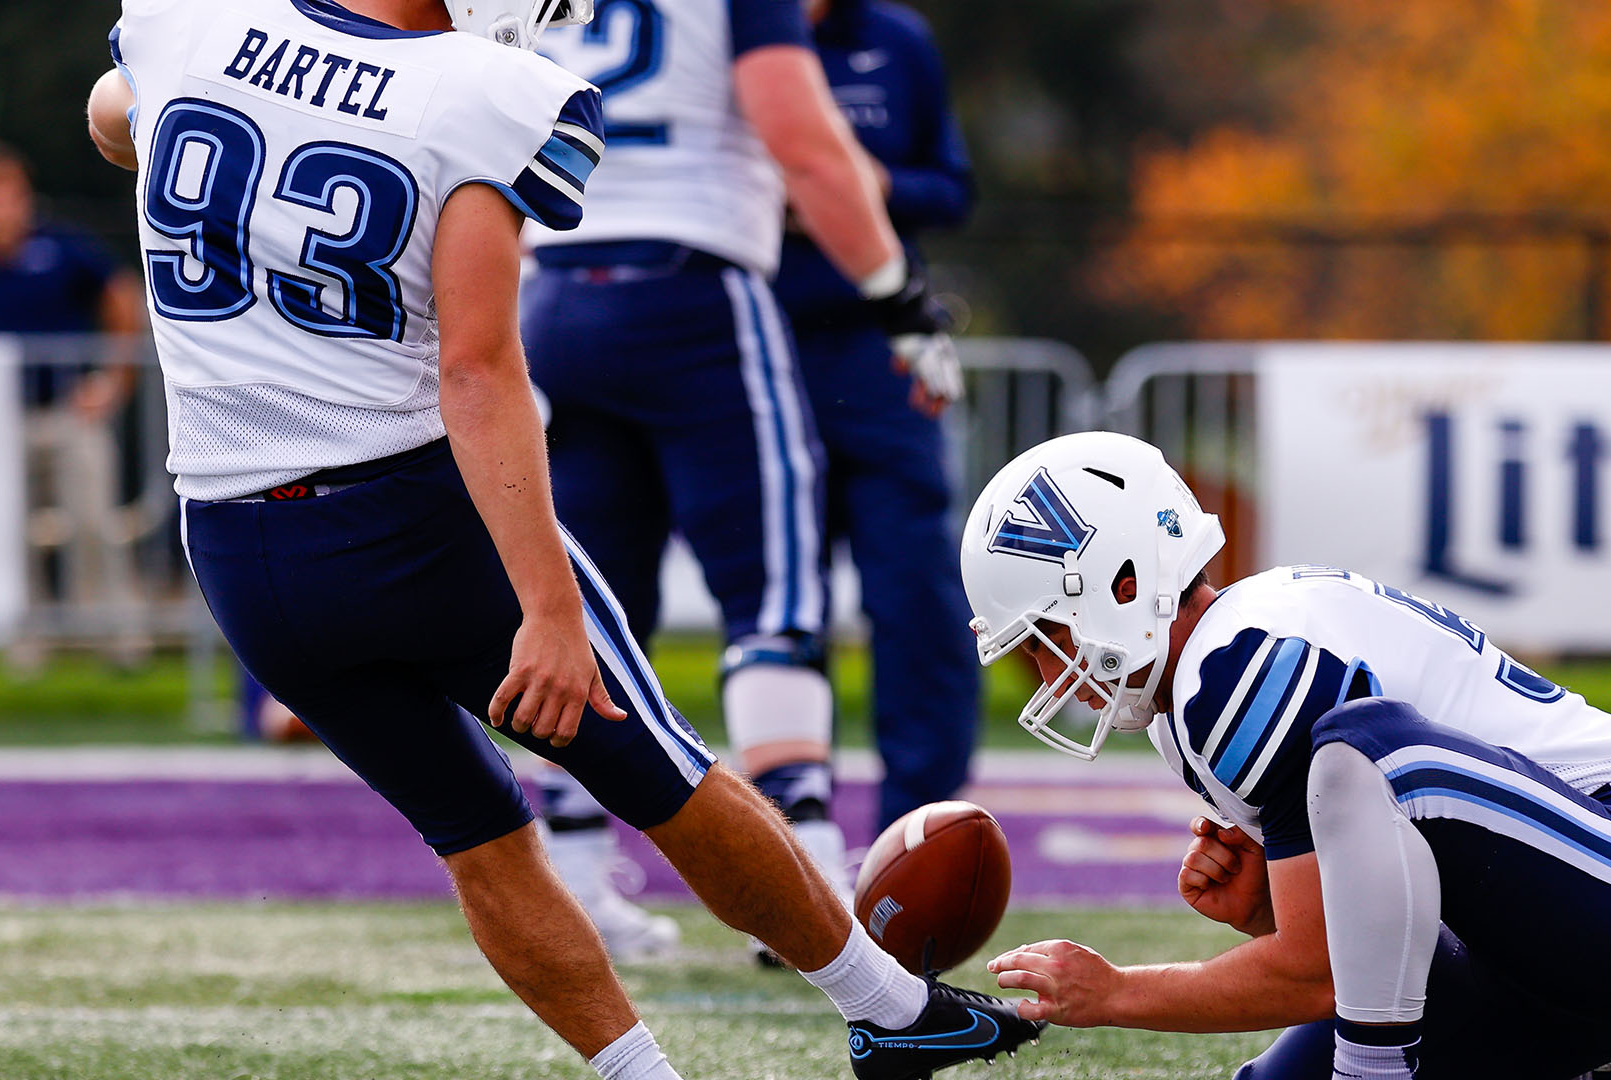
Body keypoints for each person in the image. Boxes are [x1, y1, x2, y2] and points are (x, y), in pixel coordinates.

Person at [88, 5, 1040, 1080]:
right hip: (416, 518)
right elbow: (479, 369)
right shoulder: (485, 95)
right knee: (664, 771)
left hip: (235, 544)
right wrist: (548, 608)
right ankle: (891, 1011)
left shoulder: (191, 22)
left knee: (476, 835)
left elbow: (114, 117)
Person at [959, 431, 1611, 1080]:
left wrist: (1115, 992)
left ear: (1120, 584)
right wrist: (1271, 912)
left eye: (1048, 636)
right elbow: (1366, 951)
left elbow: (1317, 970)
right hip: (1524, 944)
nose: (1047, 671)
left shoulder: (1238, 666)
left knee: (1361, 753)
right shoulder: (1191, 698)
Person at [520, 0, 962, 948]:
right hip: (693, 281)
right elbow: (799, 138)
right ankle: (795, 870)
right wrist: (900, 301)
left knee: (586, 597)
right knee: (774, 590)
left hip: (550, 287)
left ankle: (578, 866)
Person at [773, 0, 979, 834]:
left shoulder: (896, 38)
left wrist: (862, 185)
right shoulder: (733, 28)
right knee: (781, 606)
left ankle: (927, 830)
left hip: (880, 351)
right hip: (759, 346)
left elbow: (951, 189)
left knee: (917, 598)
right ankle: (790, 836)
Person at [0, 141, 148, 667]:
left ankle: (117, 637)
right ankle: (26, 643)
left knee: (95, 521)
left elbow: (120, 295)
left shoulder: (61, 245)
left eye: (8, 193)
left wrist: (113, 380)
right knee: (5, 532)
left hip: (68, 411)